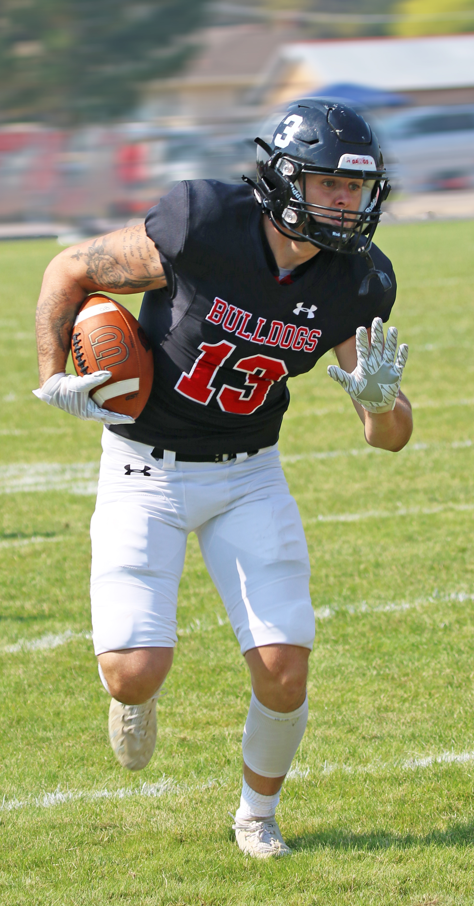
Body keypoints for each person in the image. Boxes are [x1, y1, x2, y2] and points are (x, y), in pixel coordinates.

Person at [34, 100, 413, 859]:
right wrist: (51, 376)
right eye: (327, 185)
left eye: (355, 189)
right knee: (134, 674)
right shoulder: (203, 223)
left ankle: (256, 814)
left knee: (284, 668)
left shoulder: (357, 282)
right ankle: (130, 699)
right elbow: (70, 267)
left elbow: (389, 437)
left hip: (248, 474)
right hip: (144, 465)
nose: (345, 204)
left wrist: (377, 401)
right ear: (280, 180)